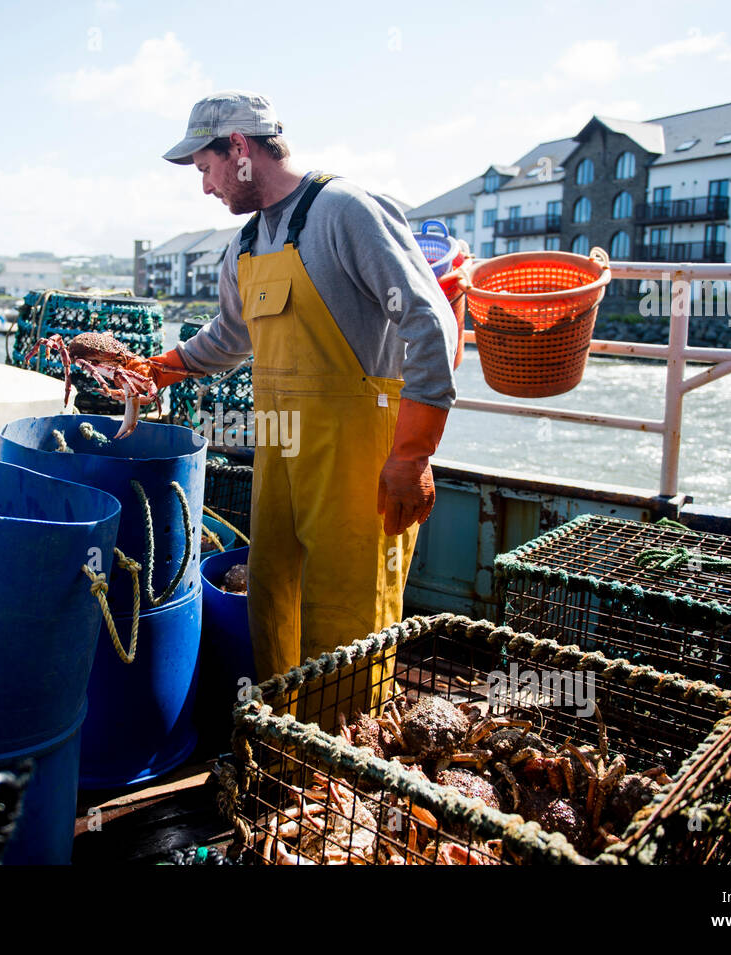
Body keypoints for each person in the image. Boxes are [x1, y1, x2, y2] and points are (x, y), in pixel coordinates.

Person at [148, 91, 457, 720]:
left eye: (205, 167)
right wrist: (159, 370)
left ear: (239, 148)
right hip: (283, 448)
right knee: (274, 597)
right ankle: (290, 746)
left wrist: (413, 453)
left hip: (356, 451)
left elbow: (430, 325)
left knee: (349, 609)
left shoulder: (344, 210)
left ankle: (347, 760)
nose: (205, 187)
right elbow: (229, 338)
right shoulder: (247, 244)